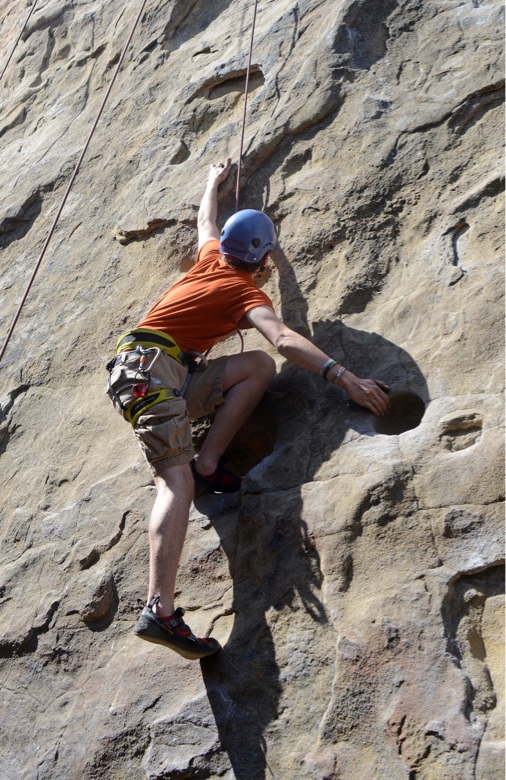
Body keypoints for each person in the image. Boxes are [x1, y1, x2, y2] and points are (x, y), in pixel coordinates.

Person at [106, 157, 390, 660]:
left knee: (256, 366)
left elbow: (206, 223)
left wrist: (211, 182)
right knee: (173, 484)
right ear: (263, 258)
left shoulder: (209, 259)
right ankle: (160, 610)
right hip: (153, 374)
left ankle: (210, 463)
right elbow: (283, 337)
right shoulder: (242, 290)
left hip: (152, 372)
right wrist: (345, 378)